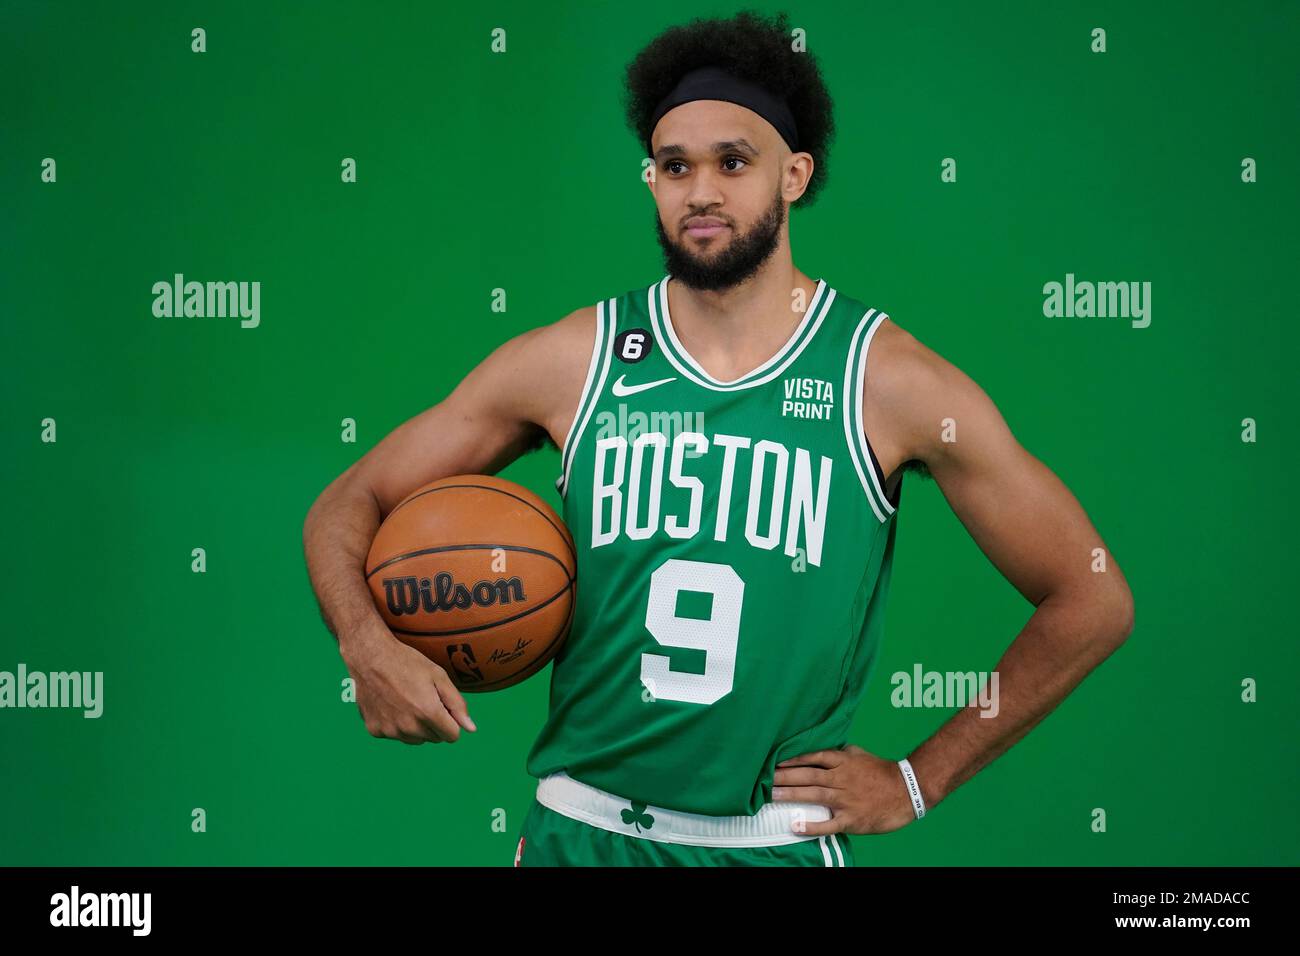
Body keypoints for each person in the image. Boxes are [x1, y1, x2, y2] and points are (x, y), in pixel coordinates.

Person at [302, 11, 1134, 868]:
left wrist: (918, 780)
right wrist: (366, 645)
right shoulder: (572, 362)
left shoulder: (886, 381)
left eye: (733, 162)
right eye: (674, 166)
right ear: (653, 181)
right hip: (577, 835)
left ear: (794, 176)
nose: (701, 190)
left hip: (766, 845)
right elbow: (346, 503)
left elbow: (1092, 597)